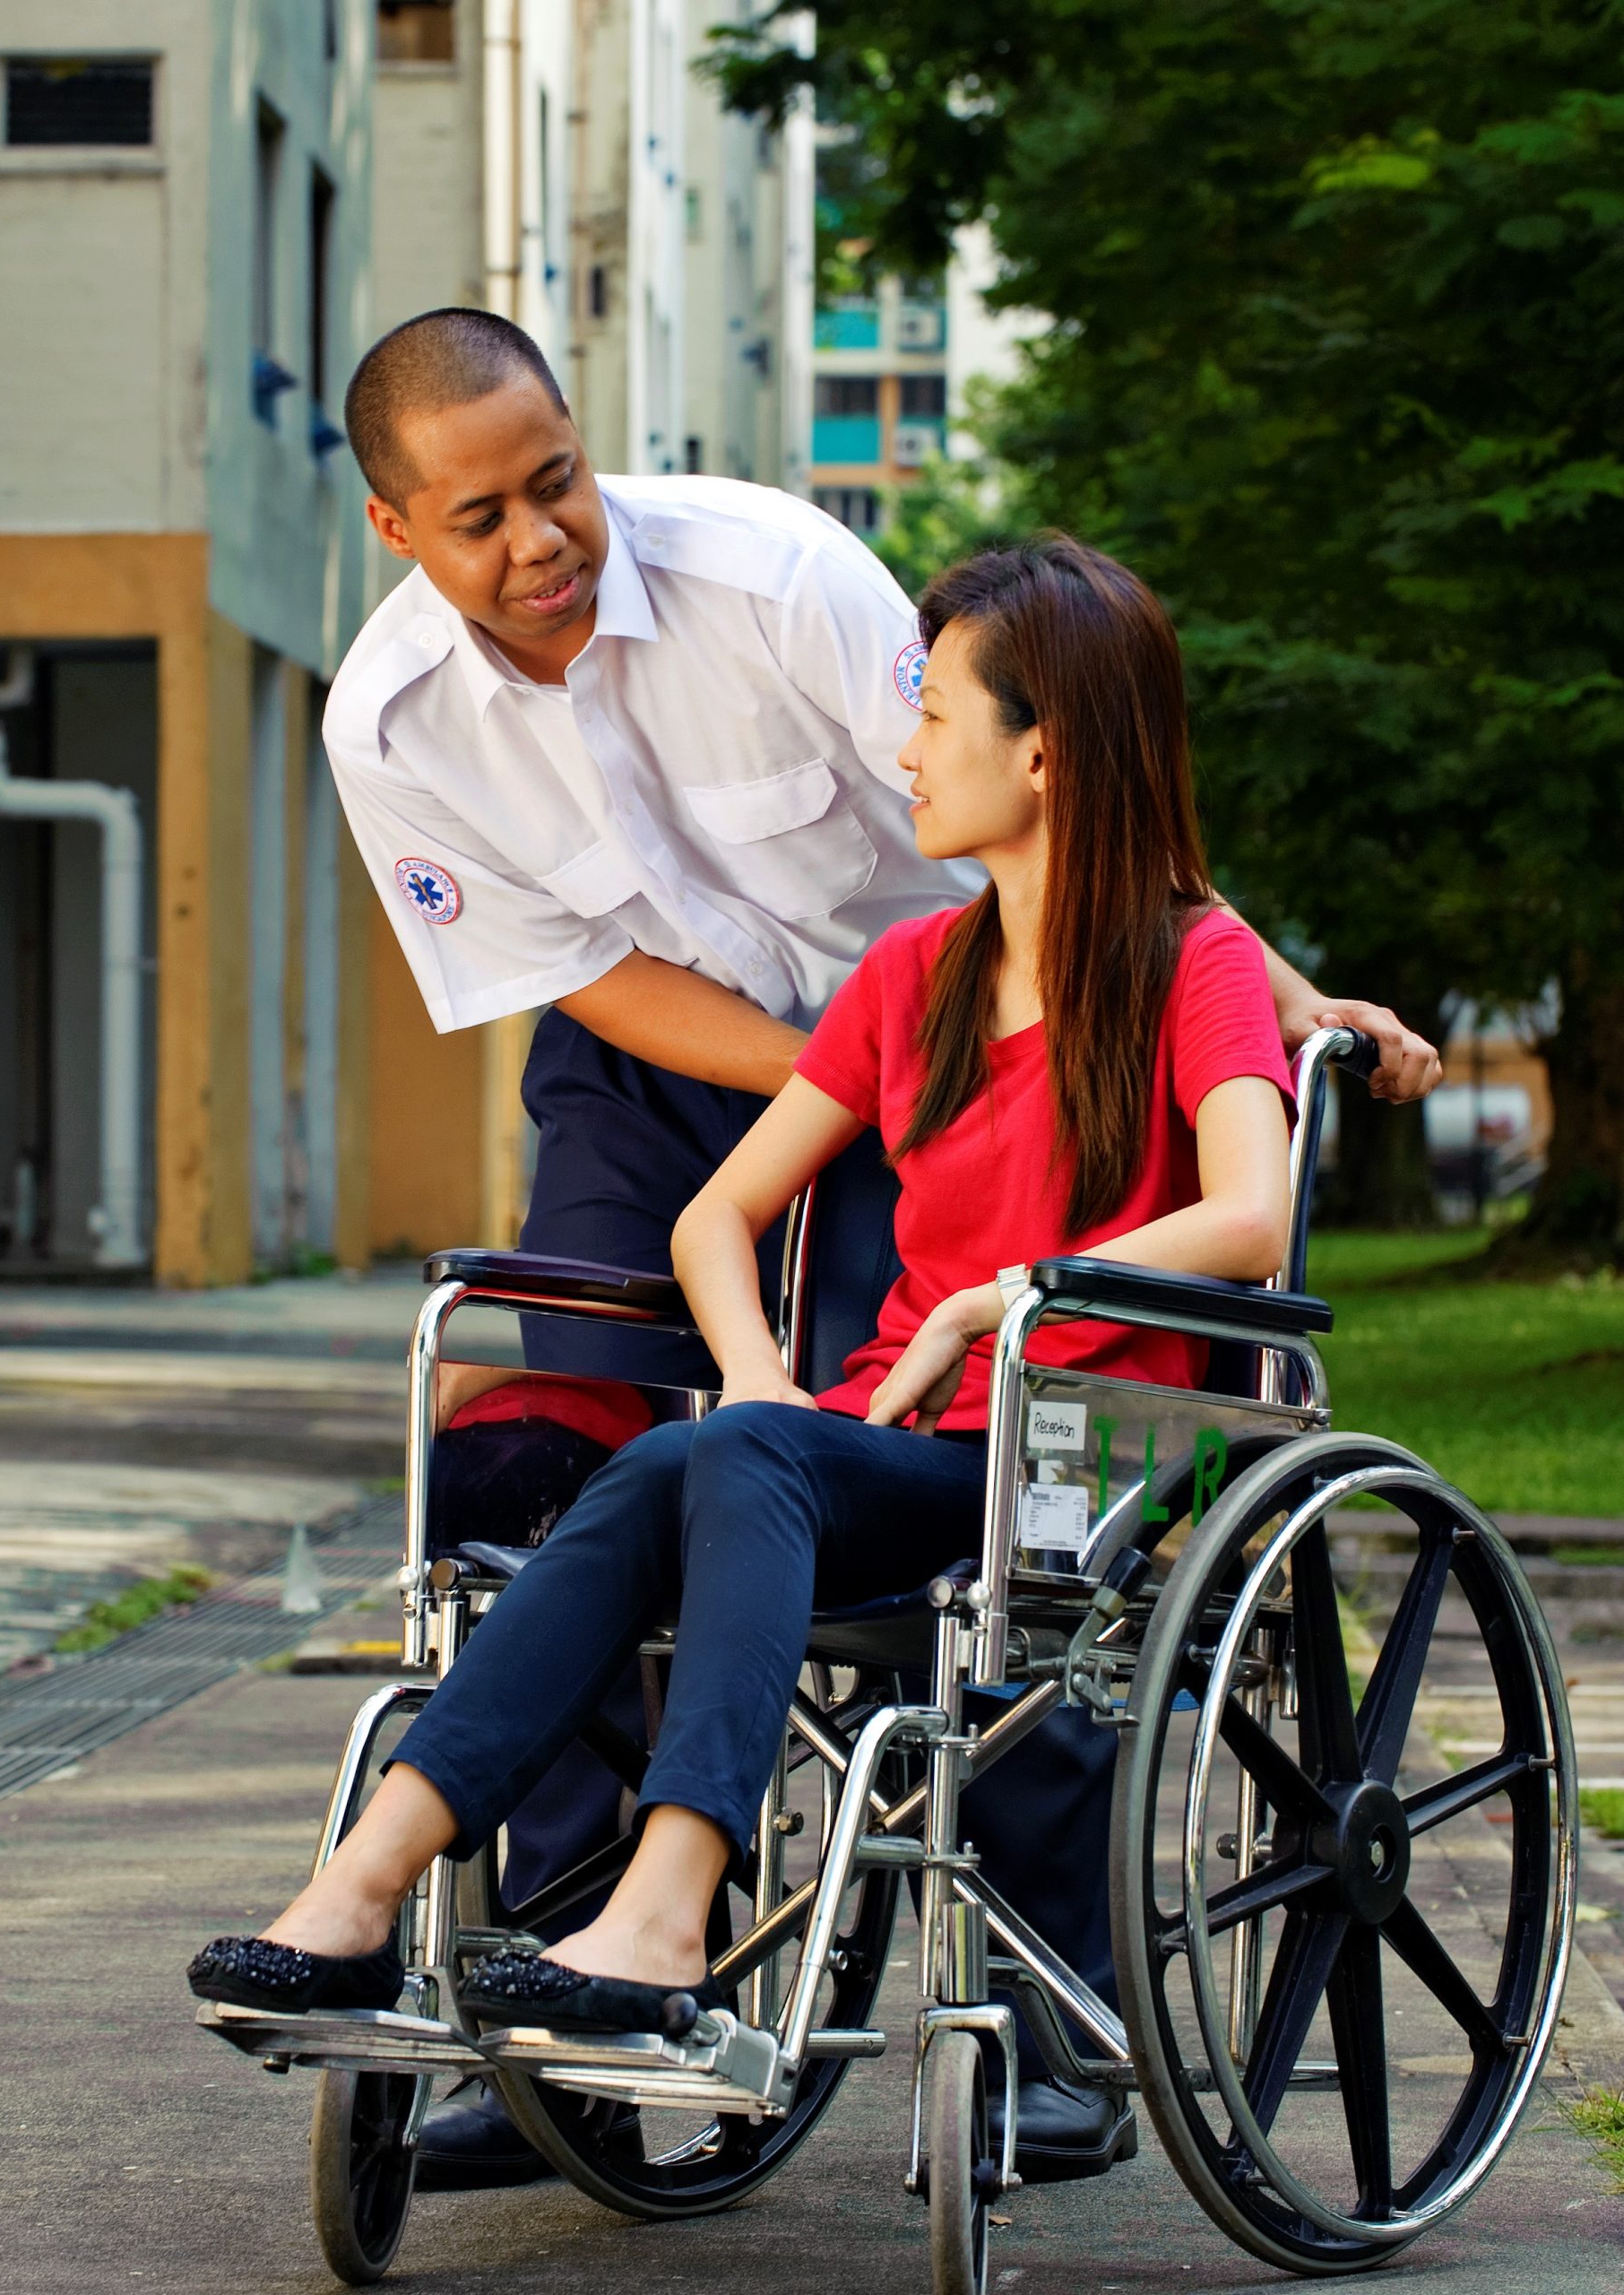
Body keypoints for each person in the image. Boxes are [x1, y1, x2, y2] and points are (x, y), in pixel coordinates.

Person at [316, 307, 1440, 2185]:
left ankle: (1055, 2010)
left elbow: (1082, 796)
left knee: (1016, 1492)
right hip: (718, 1056)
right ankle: (570, 2003)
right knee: (575, 1451)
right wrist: (871, 1075)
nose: (538, 541)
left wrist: (1261, 997)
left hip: (984, 1027)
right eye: (480, 516)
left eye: (558, 482)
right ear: (395, 530)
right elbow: (594, 975)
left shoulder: (774, 576)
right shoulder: (389, 724)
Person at [194, 538, 1299, 2129]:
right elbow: (717, 1215)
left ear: (1044, 748)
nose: (902, 746)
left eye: (937, 714)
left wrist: (1008, 1297)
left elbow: (1250, 1213)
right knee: (695, 1459)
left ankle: (650, 1921)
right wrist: (767, 1378)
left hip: (1073, 1456)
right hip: (896, 1450)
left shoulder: (1195, 964)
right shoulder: (916, 972)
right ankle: (364, 1890)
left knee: (740, 1458)